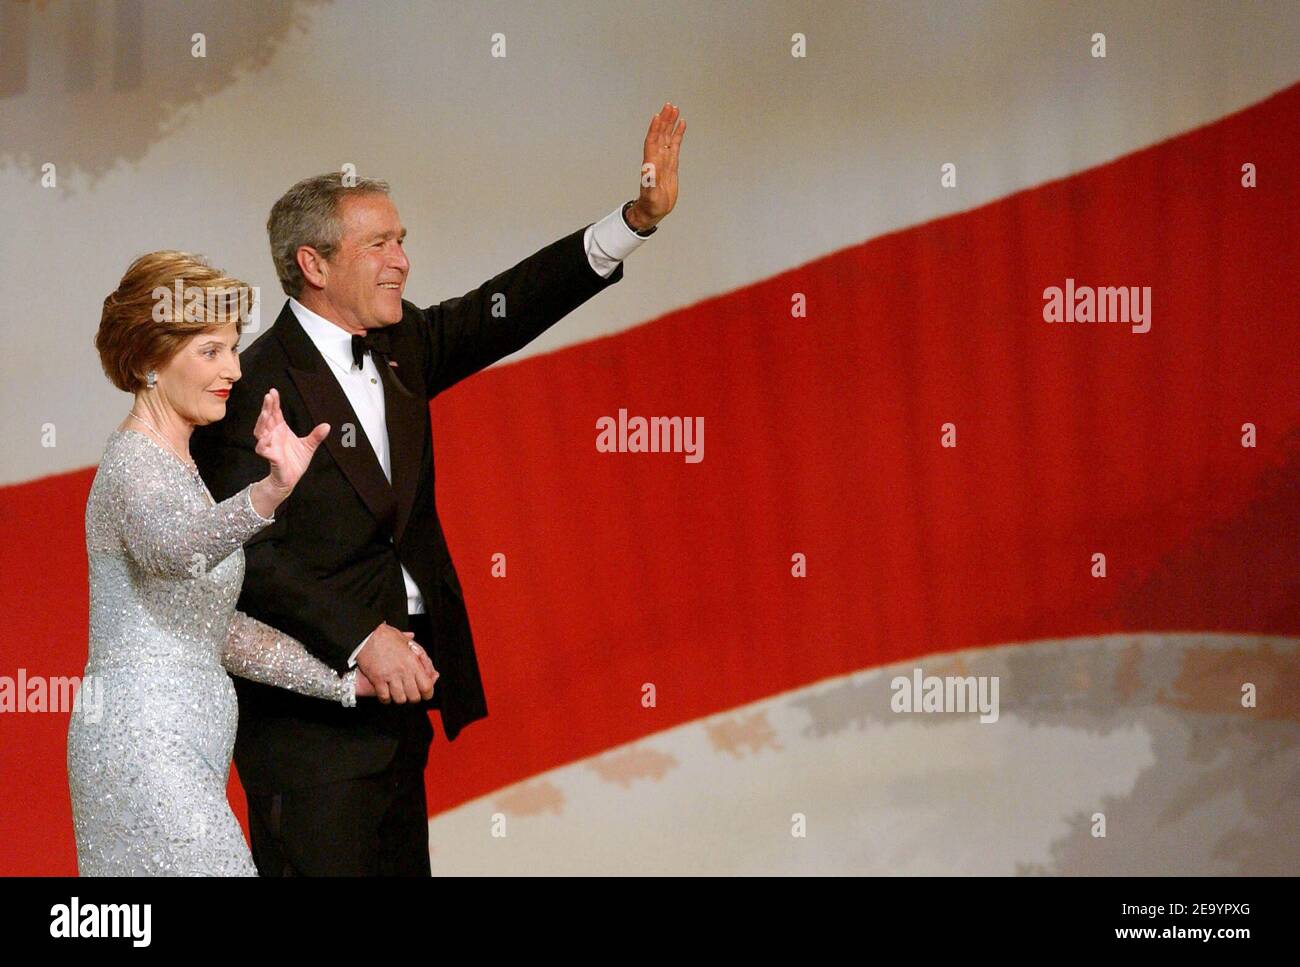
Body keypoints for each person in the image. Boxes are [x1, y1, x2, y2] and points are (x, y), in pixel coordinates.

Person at [191, 102, 685, 875]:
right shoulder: (246, 387)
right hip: (308, 740)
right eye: (379, 243)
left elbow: (507, 307)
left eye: (403, 241)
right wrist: (361, 635)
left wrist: (632, 220)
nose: (401, 260)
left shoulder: (400, 345)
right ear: (314, 264)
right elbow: (248, 560)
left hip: (400, 719)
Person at [66, 251, 433, 876]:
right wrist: (270, 492)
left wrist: (342, 682)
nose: (233, 370)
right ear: (151, 357)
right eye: (210, 351)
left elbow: (223, 632)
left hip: (195, 749)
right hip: (142, 746)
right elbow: (176, 551)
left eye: (234, 348)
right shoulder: (131, 463)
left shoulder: (184, 472)